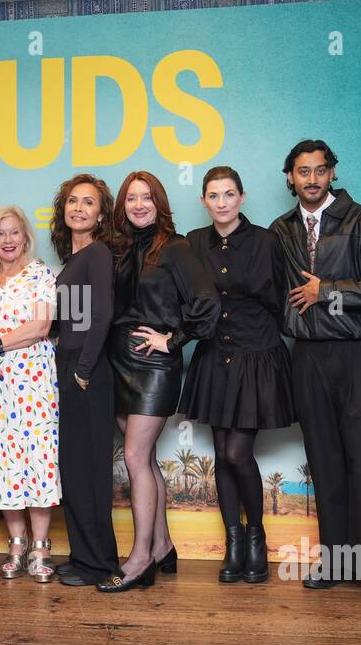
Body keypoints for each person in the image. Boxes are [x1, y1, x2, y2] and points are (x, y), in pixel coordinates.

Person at [269, 140, 361, 613]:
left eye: (320, 171)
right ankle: (337, 559)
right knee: (323, 460)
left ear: (332, 173)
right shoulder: (280, 230)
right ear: (290, 177)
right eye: (302, 172)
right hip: (306, 355)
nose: (311, 179)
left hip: (356, 354)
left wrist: (325, 290)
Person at [102, 171, 219, 592]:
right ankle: (165, 545)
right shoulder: (114, 249)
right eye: (131, 198)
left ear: (159, 202)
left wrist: (174, 339)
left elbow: (207, 301)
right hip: (117, 362)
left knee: (135, 457)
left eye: (146, 197)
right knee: (146, 459)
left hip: (153, 367)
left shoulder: (176, 246)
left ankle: (140, 559)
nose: (138, 205)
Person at [181, 166, 295, 585]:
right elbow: (184, 298)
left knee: (236, 453)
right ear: (204, 202)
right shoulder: (193, 244)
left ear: (242, 198)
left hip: (255, 356)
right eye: (214, 195)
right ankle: (234, 543)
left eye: (230, 194)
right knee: (220, 454)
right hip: (214, 357)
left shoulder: (267, 241)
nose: (222, 202)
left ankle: (256, 538)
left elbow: (283, 301)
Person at [0, 206, 61, 582]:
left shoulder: (41, 274)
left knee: (35, 457)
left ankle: (40, 547)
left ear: (26, 236)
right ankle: (16, 543)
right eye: (0, 234)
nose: (7, 240)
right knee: (3, 458)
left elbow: (41, 326)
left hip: (32, 379)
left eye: (14, 233)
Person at [49, 175, 120, 588]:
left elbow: (102, 316)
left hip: (87, 371)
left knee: (91, 471)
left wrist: (82, 371)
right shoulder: (72, 260)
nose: (78, 207)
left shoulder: (98, 253)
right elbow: (67, 320)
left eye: (88, 202)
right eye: (72, 200)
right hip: (68, 364)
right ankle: (82, 556)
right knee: (73, 469)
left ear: (100, 213)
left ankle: (99, 563)